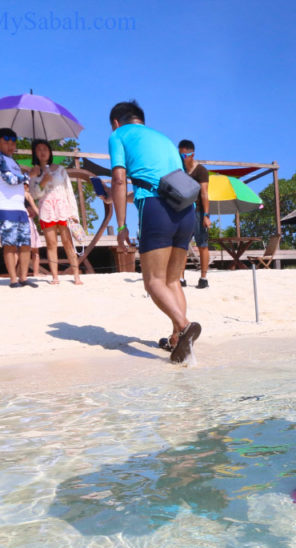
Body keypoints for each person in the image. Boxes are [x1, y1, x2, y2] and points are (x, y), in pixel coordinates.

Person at [107, 101, 201, 364]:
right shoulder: (164, 139)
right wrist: (116, 199)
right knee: (172, 281)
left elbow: (118, 179)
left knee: (153, 282)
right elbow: (160, 184)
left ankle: (184, 326)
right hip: (185, 210)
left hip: (156, 209)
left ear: (116, 122)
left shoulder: (118, 135)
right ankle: (176, 339)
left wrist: (122, 225)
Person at [0, 127, 38, 288]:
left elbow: (20, 186)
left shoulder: (15, 162)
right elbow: (10, 179)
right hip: (4, 207)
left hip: (20, 208)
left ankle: (24, 277)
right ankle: (13, 279)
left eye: (13, 142)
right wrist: (29, 175)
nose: (10, 145)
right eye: (6, 141)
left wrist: (28, 204)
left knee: (26, 244)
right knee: (10, 244)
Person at [28, 139, 86, 285]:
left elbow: (69, 191)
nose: (42, 152)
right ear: (35, 153)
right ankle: (55, 276)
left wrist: (74, 214)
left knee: (68, 242)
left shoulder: (60, 169)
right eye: (39, 149)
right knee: (51, 243)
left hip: (63, 209)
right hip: (46, 210)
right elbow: (34, 195)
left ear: (50, 151)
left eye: (45, 149)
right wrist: (41, 180)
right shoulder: (34, 172)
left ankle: (76, 275)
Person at [177, 139, 212, 290]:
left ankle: (203, 278)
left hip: (198, 212)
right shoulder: (179, 170)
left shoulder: (201, 171)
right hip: (182, 211)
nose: (184, 158)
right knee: (182, 246)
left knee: (202, 245)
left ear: (193, 154)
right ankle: (180, 278)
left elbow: (204, 194)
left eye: (186, 155)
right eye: (181, 155)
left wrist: (206, 215)